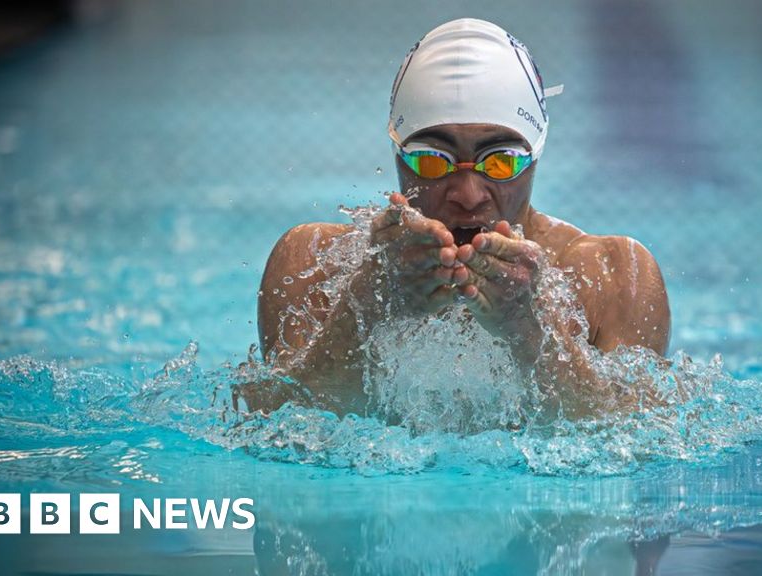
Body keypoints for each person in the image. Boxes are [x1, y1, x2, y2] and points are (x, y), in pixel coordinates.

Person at [245, 18, 670, 419]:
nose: (468, 196)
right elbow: (277, 423)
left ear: (536, 155)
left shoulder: (612, 274)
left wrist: (528, 327)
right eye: (433, 160)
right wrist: (369, 307)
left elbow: (633, 438)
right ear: (398, 156)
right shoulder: (314, 260)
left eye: (501, 161)